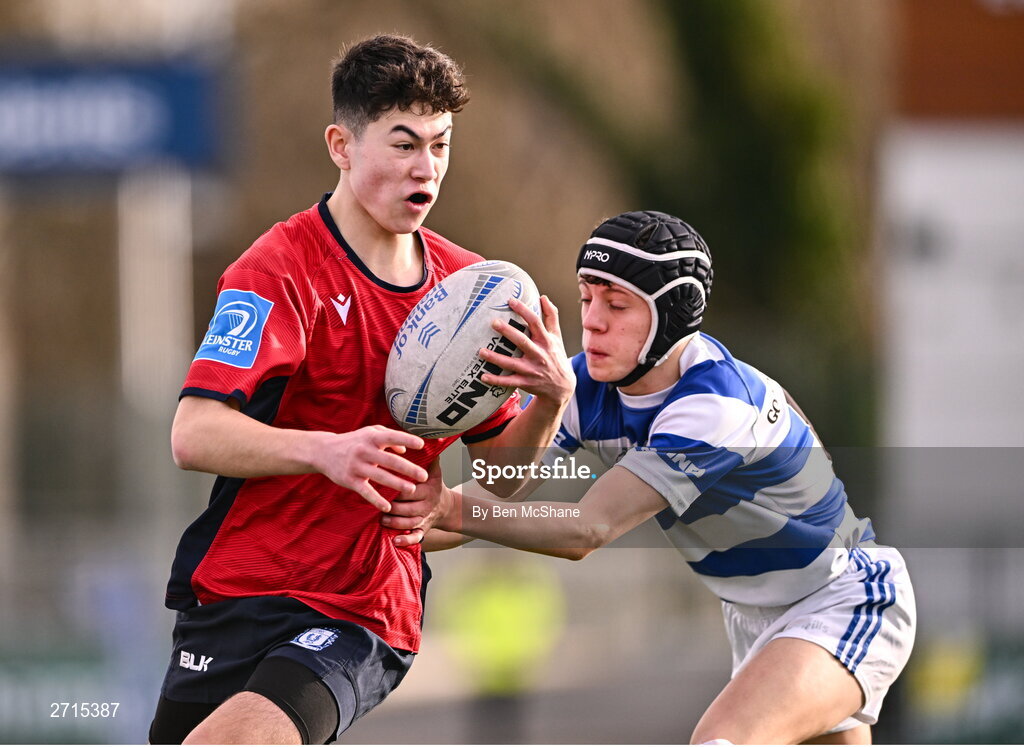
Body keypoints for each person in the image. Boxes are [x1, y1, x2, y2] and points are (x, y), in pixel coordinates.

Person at [148, 34, 573, 745]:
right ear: (340, 145)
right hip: (239, 589)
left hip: (361, 607)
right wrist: (328, 451)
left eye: (440, 145)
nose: (427, 168)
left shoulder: (473, 294)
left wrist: (552, 401)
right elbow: (193, 433)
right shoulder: (280, 269)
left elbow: (501, 482)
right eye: (404, 144)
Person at [387, 210, 917, 745]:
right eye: (586, 297)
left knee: (720, 740)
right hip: (755, 617)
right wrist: (401, 522)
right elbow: (495, 490)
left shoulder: (715, 406)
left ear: (673, 317)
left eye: (616, 306)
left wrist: (450, 509)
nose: (592, 320)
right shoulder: (585, 383)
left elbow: (585, 529)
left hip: (842, 598)